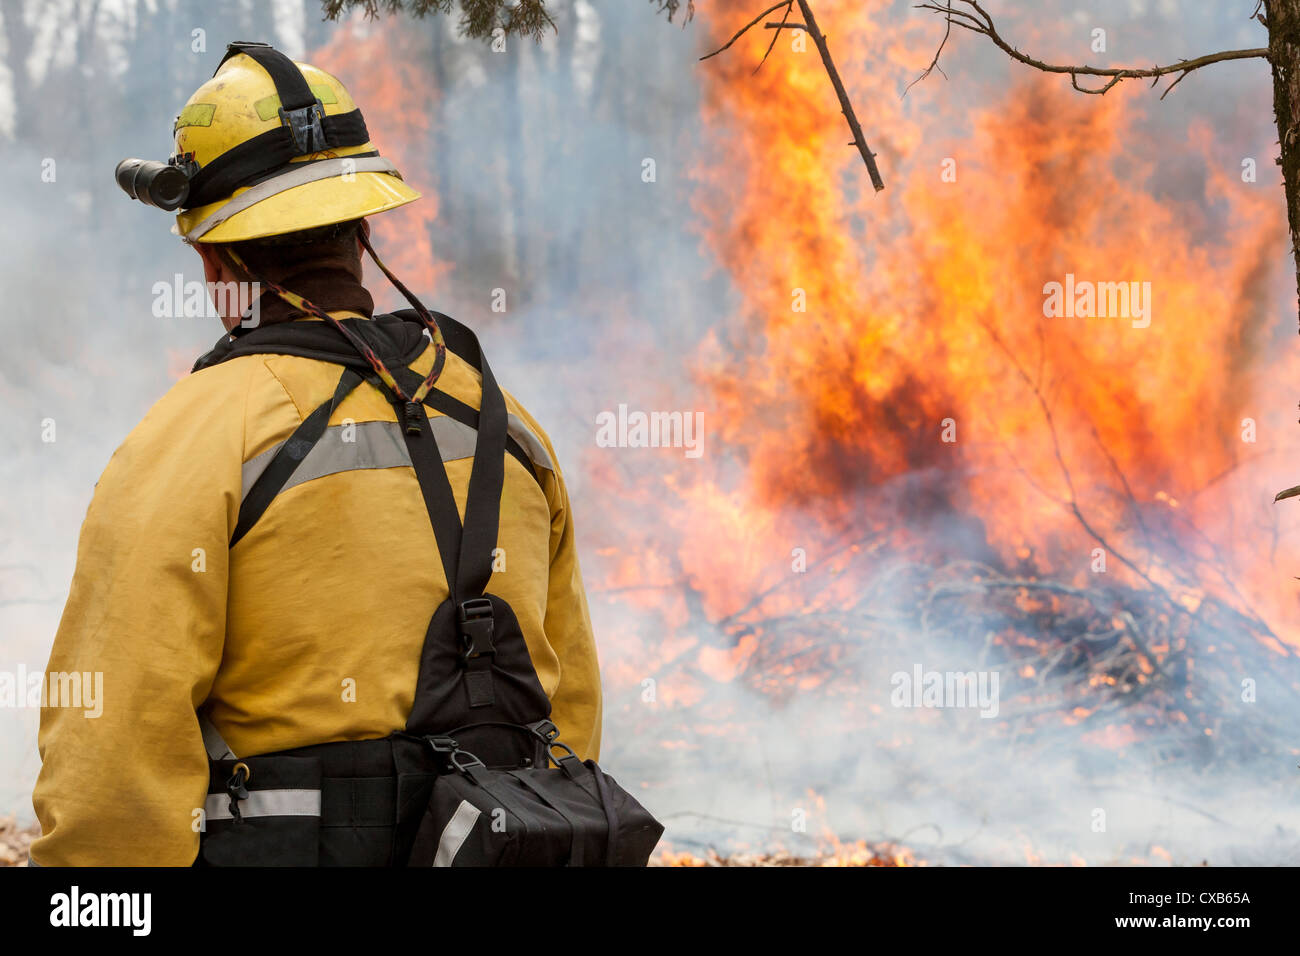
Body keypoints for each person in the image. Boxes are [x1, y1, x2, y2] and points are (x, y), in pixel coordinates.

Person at [29, 42, 601, 866]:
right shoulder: (508, 429)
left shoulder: (192, 438)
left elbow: (114, 754)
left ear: (212, 259)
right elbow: (566, 713)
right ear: (364, 234)